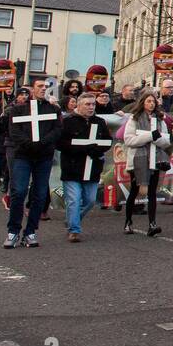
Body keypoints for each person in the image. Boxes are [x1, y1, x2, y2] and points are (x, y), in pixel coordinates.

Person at [3, 77, 63, 249]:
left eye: (46, 86)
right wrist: (30, 144)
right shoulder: (19, 109)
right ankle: (13, 231)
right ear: (32, 89)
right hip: (23, 155)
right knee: (19, 191)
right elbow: (14, 131)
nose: (43, 89)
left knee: (39, 194)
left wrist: (43, 143)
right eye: (39, 86)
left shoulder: (53, 109)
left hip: (44, 156)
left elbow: (57, 129)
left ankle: (30, 231)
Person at [56, 93, 112, 242]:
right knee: (74, 200)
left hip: (92, 167)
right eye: (87, 104)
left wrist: (97, 150)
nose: (91, 107)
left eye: (93, 104)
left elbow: (107, 141)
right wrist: (82, 148)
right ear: (78, 105)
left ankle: (72, 219)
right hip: (72, 167)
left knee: (90, 200)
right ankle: (74, 230)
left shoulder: (99, 122)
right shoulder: (67, 121)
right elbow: (60, 143)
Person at [123, 89, 172, 236]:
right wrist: (149, 136)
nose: (151, 104)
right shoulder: (134, 119)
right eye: (148, 101)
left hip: (155, 159)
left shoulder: (160, 119)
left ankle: (152, 223)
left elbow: (165, 142)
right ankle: (128, 222)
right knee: (134, 191)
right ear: (143, 102)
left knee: (152, 192)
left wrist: (157, 138)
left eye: (153, 101)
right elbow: (129, 140)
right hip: (138, 160)